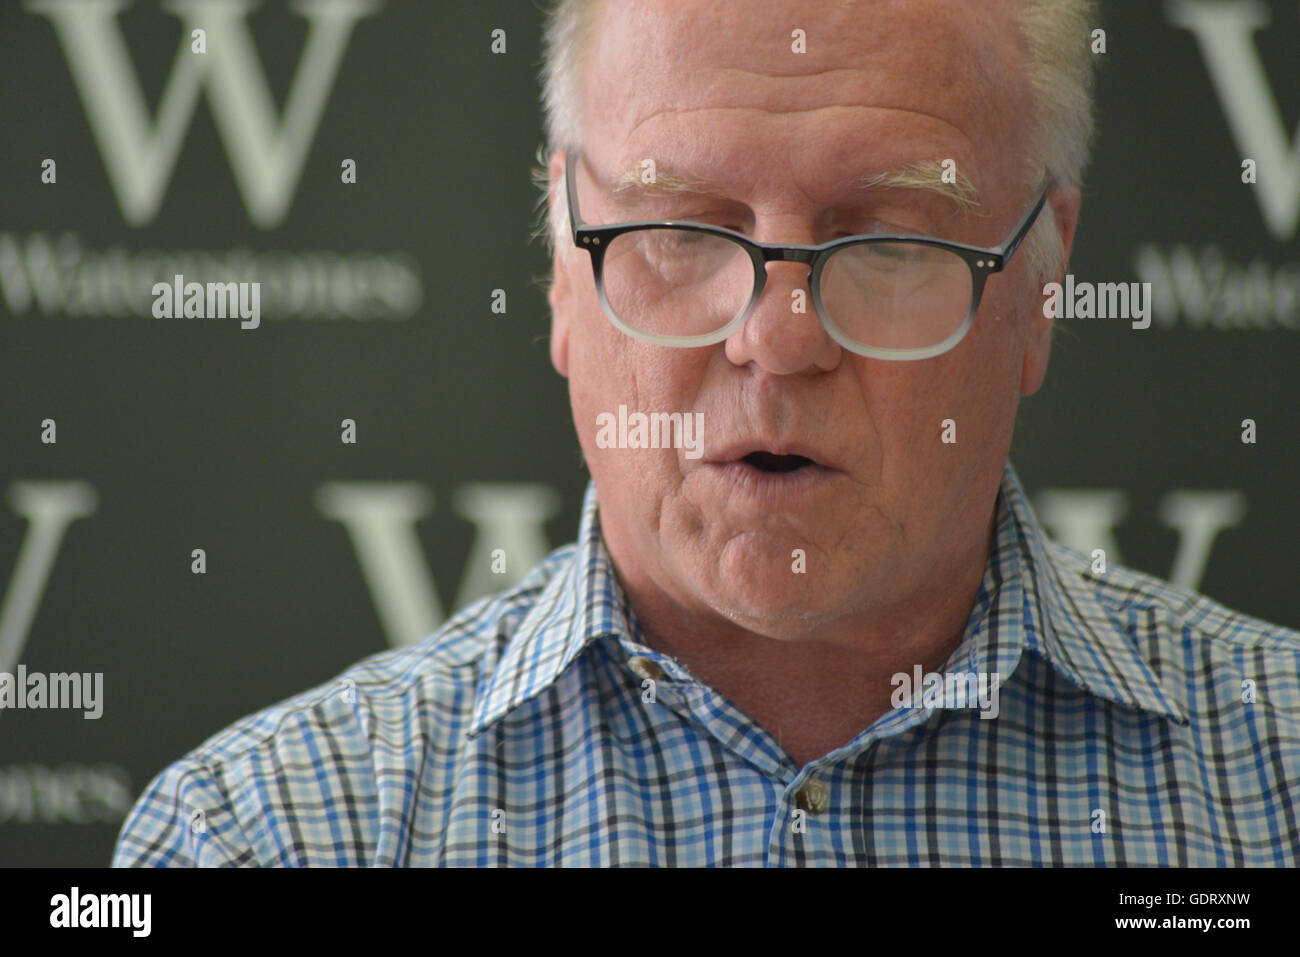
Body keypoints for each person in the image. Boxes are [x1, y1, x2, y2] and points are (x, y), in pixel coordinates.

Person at [114, 0, 1300, 867]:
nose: (777, 340)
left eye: (888, 239)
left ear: (1042, 286)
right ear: (560, 273)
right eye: (684, 230)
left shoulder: (1277, 785)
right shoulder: (261, 837)